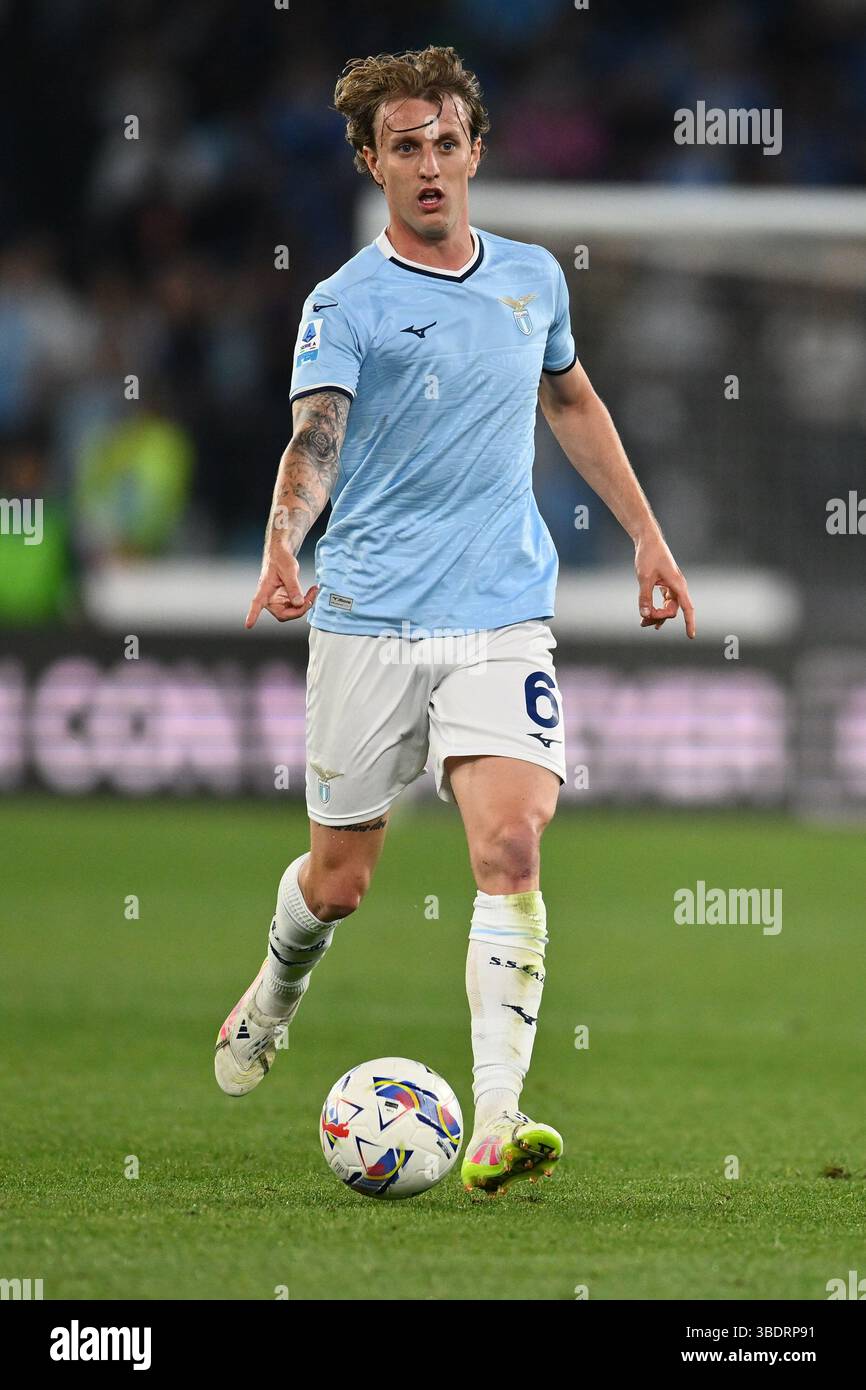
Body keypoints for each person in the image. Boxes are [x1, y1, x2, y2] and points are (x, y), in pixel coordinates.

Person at [214, 45, 695, 1196]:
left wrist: (643, 532)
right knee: (339, 882)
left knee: (510, 845)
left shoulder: (532, 278)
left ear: (474, 149)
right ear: (371, 162)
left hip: (498, 616)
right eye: (403, 147)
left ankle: (495, 1118)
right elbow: (314, 438)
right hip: (370, 618)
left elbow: (569, 397)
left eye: (445, 142)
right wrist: (285, 538)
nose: (428, 165)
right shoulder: (344, 302)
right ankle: (278, 985)